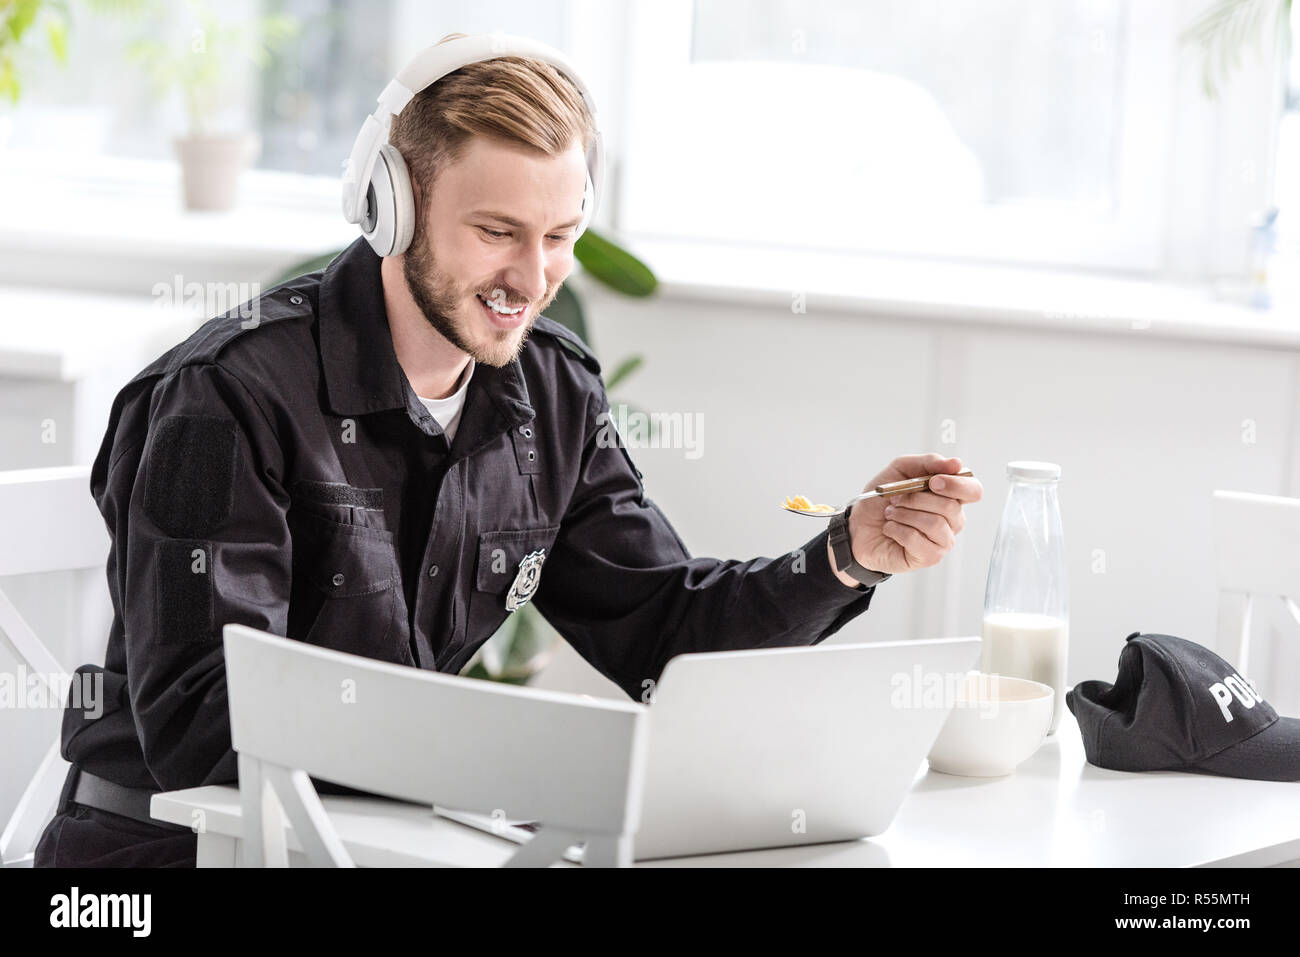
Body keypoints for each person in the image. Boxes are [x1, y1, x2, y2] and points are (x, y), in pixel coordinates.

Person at [35, 33, 981, 867]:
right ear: (392, 208)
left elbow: (664, 634)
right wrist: (501, 754)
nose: (531, 280)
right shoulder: (226, 397)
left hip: (372, 840)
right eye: (497, 233)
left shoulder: (552, 395)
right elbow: (207, 726)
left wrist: (847, 553)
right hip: (165, 854)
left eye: (562, 236)